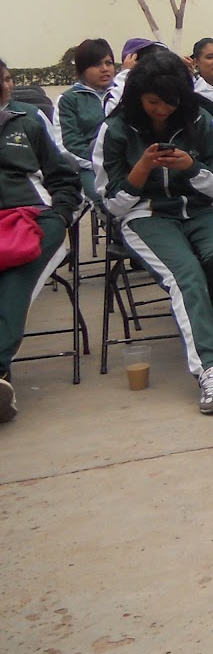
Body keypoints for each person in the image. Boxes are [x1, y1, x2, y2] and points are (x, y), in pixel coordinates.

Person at [94, 49, 213, 414]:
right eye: (152, 102)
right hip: (144, 215)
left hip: (199, 209)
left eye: (170, 102)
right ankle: (210, 370)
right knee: (186, 276)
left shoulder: (201, 122)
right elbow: (110, 204)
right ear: (137, 97)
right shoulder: (115, 130)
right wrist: (142, 168)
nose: (162, 110)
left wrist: (192, 168)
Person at [0, 55, 82, 423]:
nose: (4, 86)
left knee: (16, 280)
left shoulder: (30, 119)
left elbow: (63, 176)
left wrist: (60, 215)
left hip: (33, 218)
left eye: (6, 79)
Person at [56, 38, 117, 200]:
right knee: (105, 199)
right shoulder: (68, 99)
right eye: (97, 65)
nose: (105, 69)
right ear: (82, 69)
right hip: (90, 167)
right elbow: (69, 143)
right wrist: (97, 162)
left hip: (125, 163)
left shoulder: (123, 93)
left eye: (109, 63)